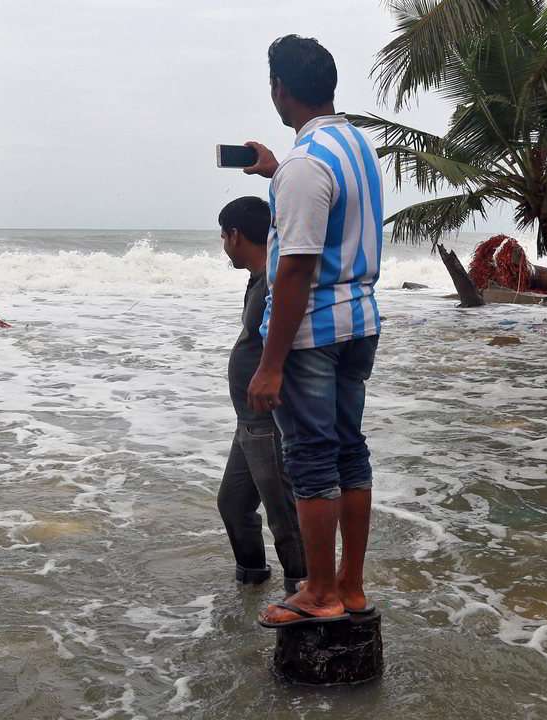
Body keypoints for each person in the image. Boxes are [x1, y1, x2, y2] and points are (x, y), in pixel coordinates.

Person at [242, 35, 384, 627]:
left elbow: (296, 267)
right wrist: (276, 172)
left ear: (280, 88)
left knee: (312, 460)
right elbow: (331, 211)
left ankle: (319, 592)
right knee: (350, 452)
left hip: (313, 335)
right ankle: (348, 586)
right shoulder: (352, 145)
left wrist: (270, 363)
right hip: (360, 325)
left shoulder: (306, 164)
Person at [216, 196, 307, 595]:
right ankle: (251, 581)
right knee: (234, 504)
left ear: (235, 235)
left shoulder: (275, 277)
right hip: (248, 420)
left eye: (223, 235)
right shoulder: (262, 276)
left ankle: (303, 589)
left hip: (266, 417)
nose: (223, 244)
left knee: (283, 512)